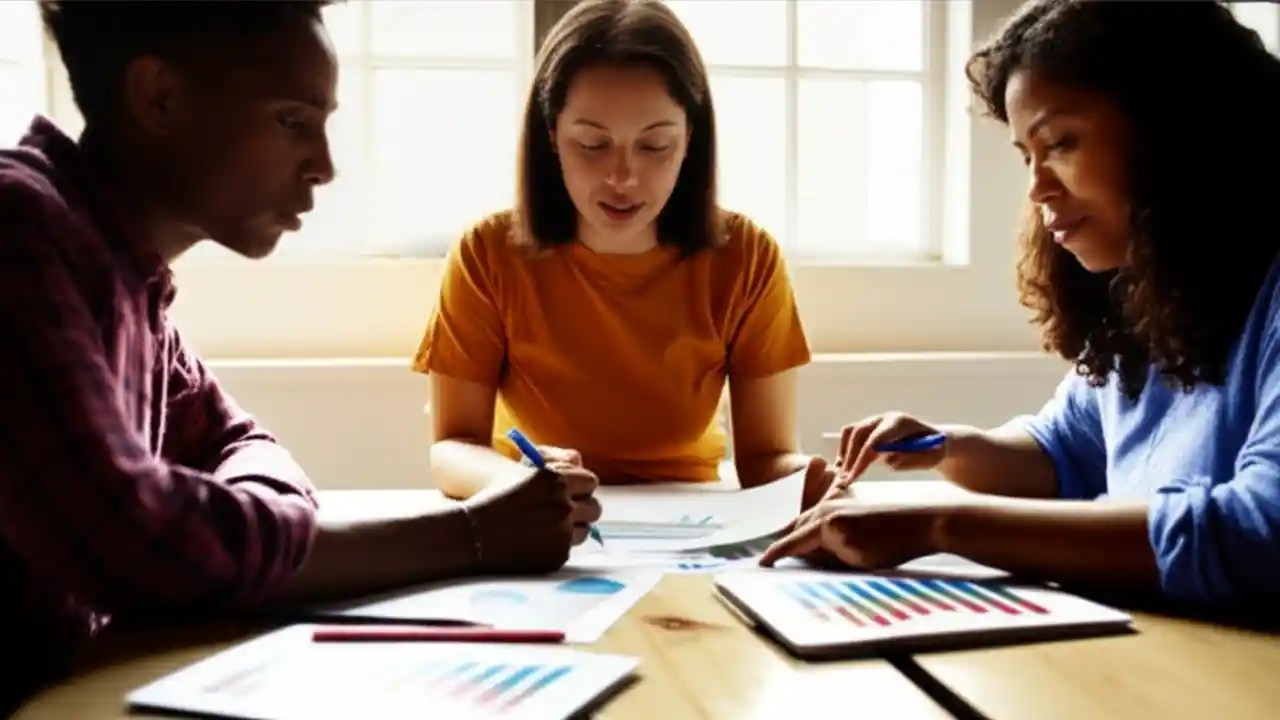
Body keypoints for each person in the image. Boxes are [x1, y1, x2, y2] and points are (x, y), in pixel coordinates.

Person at [1, 1, 590, 710]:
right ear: (158, 96)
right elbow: (137, 541)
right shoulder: (20, 232)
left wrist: (246, 517)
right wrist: (471, 534)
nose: (325, 166)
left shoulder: (125, 275)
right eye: (292, 122)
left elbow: (238, 440)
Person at [762, 0, 1280, 609]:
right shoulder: (1148, 293)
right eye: (1024, 155)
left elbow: (1258, 534)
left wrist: (937, 526)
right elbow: (1061, 452)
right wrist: (944, 446)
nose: (1036, 187)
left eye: (1060, 142)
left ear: (1176, 129)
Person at [417, 0, 814, 505]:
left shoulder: (747, 256)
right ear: (551, 136)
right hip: (533, 515)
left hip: (692, 519)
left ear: (690, 139)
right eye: (591, 144)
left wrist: (821, 478)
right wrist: (519, 483)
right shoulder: (487, 253)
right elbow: (453, 446)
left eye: (654, 147)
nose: (622, 177)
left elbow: (767, 459)